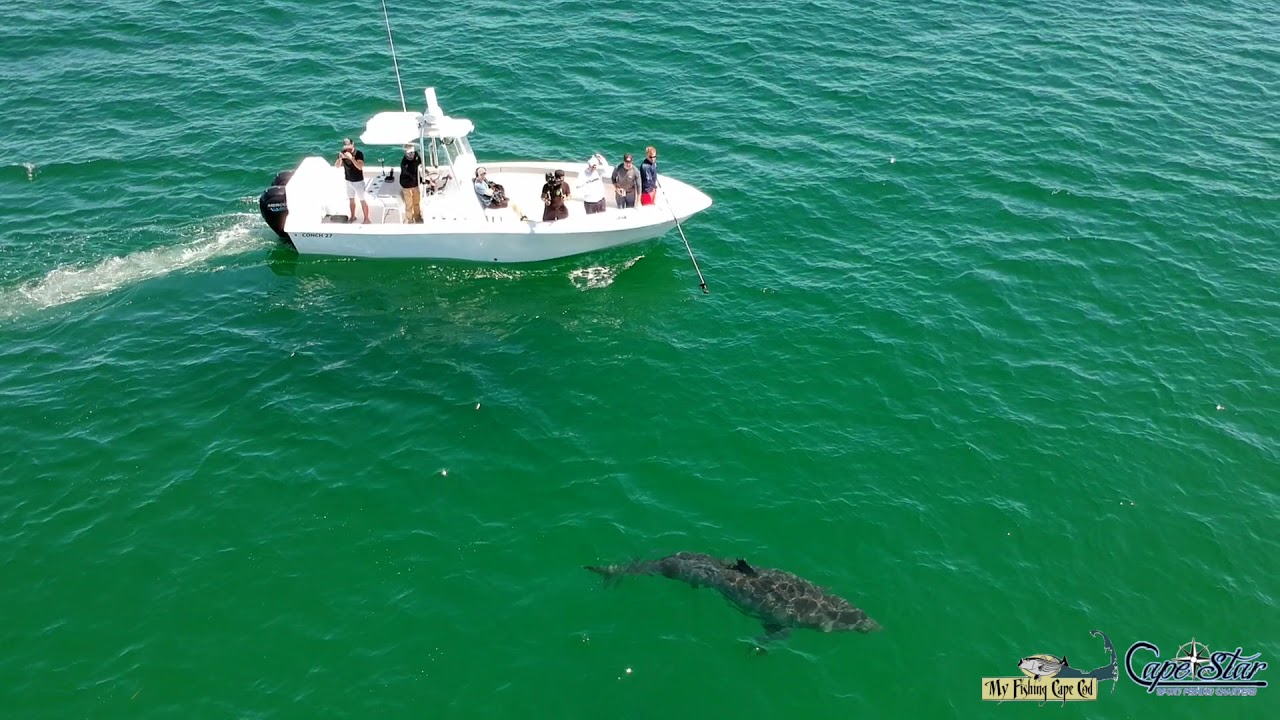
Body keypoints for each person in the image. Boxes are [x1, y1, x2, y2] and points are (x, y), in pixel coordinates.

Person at [334, 137, 370, 223]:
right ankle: (353, 216)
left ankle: (366, 219)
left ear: (353, 144)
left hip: (358, 181)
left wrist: (351, 158)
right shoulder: (343, 153)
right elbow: (337, 166)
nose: (348, 149)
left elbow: (360, 167)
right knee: (351, 199)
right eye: (346, 147)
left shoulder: (358, 154)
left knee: (362, 200)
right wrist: (340, 159)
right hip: (348, 180)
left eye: (349, 146)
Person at [399, 143, 424, 223]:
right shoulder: (404, 164)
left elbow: (420, 164)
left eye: (413, 152)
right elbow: (412, 175)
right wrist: (424, 180)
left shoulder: (416, 156)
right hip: (407, 185)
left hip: (415, 184)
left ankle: (417, 216)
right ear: (406, 153)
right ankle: (410, 219)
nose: (412, 154)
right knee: (409, 204)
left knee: (416, 202)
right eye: (410, 153)